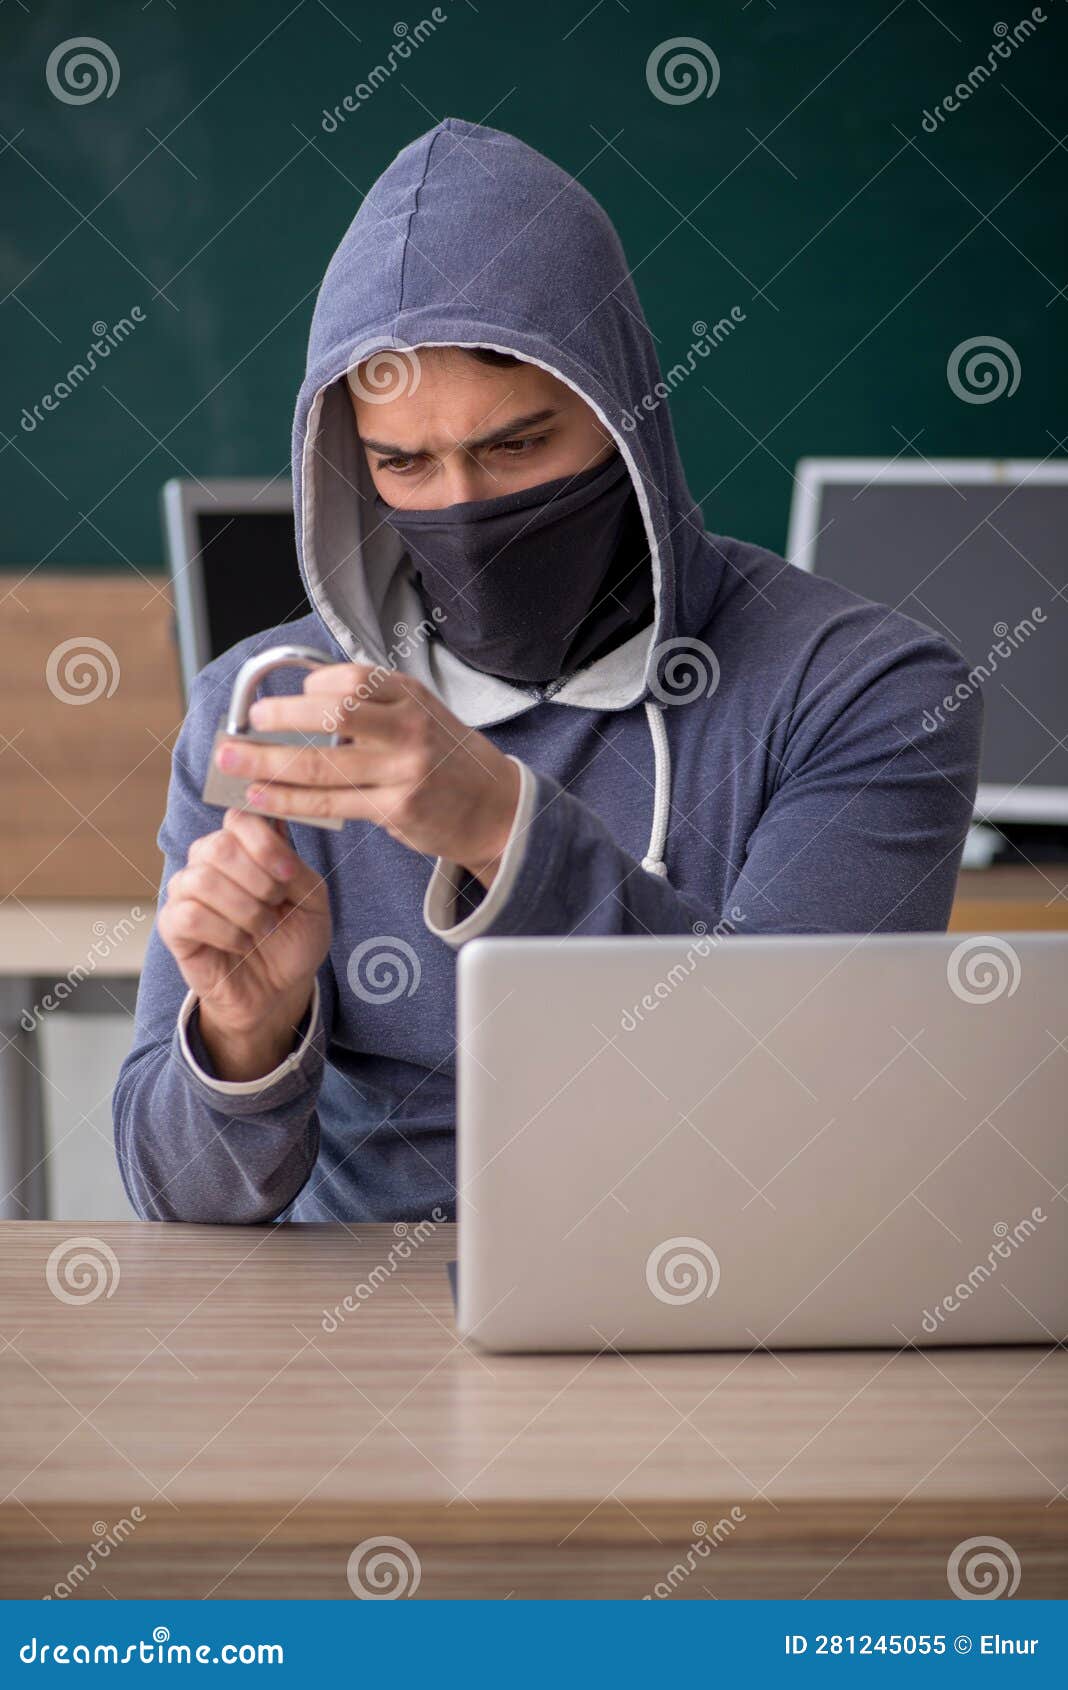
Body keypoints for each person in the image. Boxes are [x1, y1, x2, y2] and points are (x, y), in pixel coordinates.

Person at [113, 119, 982, 1224]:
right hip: (358, 1322)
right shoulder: (273, 714)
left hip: (720, 1298)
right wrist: (244, 1037)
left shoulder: (866, 692)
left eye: (516, 447)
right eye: (403, 463)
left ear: (627, 425)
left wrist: (504, 832)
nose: (463, 509)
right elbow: (177, 1204)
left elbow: (795, 1109)